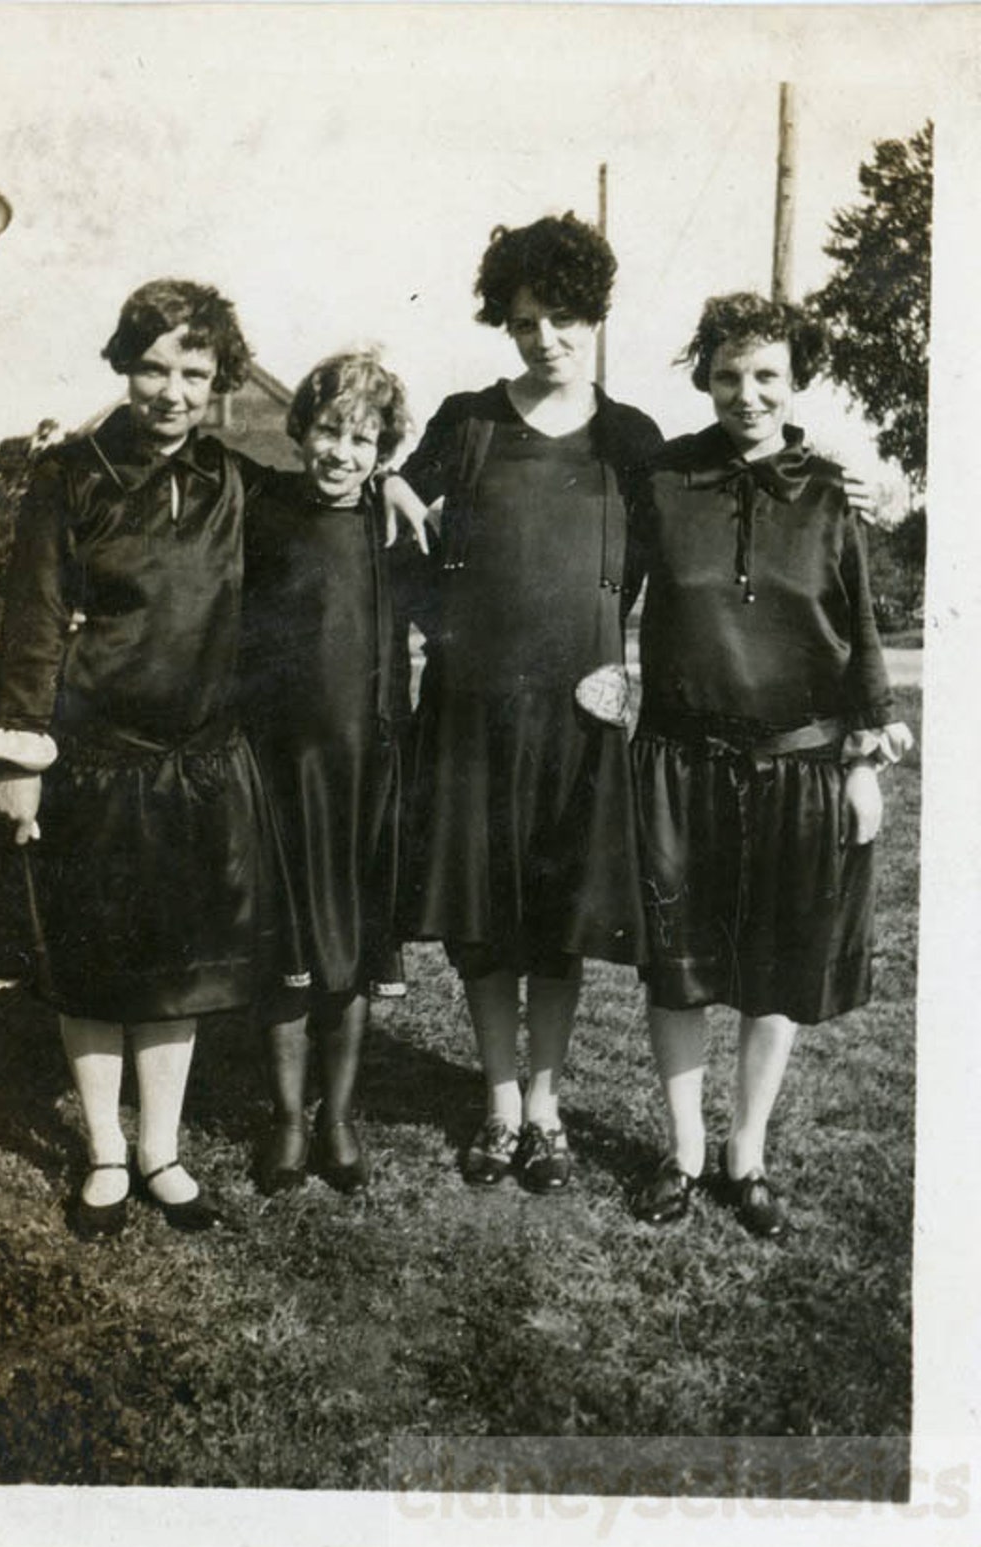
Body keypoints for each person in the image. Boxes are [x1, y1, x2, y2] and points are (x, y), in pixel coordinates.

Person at [0, 279, 296, 1237]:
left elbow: (328, 500)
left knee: (177, 969)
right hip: (93, 762)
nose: (173, 391)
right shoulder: (71, 477)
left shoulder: (234, 480)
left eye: (195, 372)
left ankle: (163, 1149)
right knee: (96, 966)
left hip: (195, 763)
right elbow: (30, 622)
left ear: (219, 379)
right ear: (125, 363)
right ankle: (107, 1152)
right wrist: (20, 753)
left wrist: (387, 477)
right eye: (155, 367)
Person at [628, 291, 913, 1237]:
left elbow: (861, 633)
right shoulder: (663, 480)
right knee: (677, 967)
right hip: (678, 762)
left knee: (774, 969)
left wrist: (865, 756)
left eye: (767, 377)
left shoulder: (833, 494)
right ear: (703, 376)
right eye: (728, 374)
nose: (746, 394)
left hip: (799, 766)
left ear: (796, 385)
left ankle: (745, 1157)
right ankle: (683, 1152)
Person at [390, 212, 664, 1192]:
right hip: (472, 709)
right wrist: (448, 623)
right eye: (523, 321)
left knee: (558, 919)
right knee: (480, 918)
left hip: (579, 716)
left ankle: (546, 1109)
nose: (543, 338)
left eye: (561, 318)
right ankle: (499, 1103)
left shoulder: (631, 437)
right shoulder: (466, 422)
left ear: (595, 316)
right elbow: (395, 538)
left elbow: (658, 574)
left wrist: (617, 659)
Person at [240, 350, 420, 1194]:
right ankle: (284, 1116)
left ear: (382, 447)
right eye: (328, 431)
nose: (341, 452)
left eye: (361, 438)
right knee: (285, 941)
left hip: (364, 764)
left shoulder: (391, 529)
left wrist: (398, 487)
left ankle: (338, 1115)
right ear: (301, 430)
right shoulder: (266, 507)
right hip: (281, 764)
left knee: (350, 943)